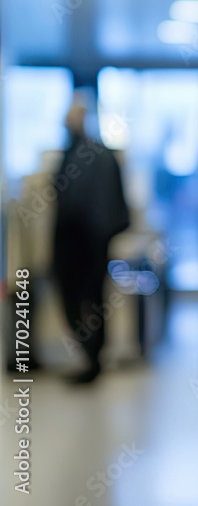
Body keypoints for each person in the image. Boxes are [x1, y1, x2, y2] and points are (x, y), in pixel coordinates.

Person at [54, 104, 130, 384]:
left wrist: (100, 236)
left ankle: (94, 358)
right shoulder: (72, 154)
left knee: (91, 300)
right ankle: (90, 355)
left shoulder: (95, 155)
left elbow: (107, 206)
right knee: (78, 300)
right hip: (75, 242)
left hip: (88, 243)